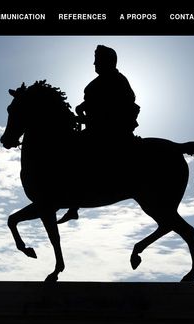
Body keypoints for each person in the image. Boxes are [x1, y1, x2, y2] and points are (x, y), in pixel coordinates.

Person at [58, 45, 140, 224]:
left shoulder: (118, 80)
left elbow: (120, 105)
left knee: (75, 152)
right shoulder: (98, 82)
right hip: (96, 127)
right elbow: (92, 101)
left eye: (98, 59)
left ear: (107, 61)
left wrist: (93, 118)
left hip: (110, 130)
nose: (94, 63)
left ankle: (74, 203)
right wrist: (82, 107)